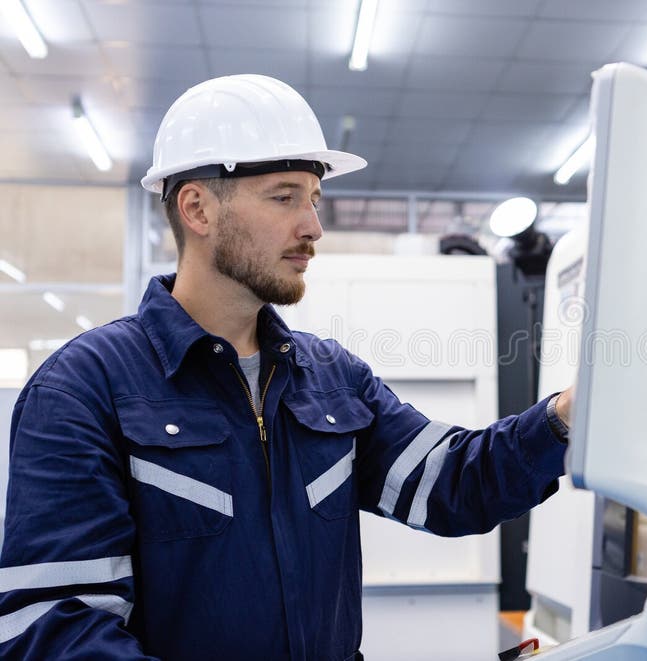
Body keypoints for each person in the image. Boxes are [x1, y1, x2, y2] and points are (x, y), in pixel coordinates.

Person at [0, 75, 573, 661]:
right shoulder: (84, 389)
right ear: (197, 208)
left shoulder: (331, 378)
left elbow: (453, 483)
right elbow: (56, 626)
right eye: (284, 197)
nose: (313, 227)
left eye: (314, 199)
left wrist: (564, 417)